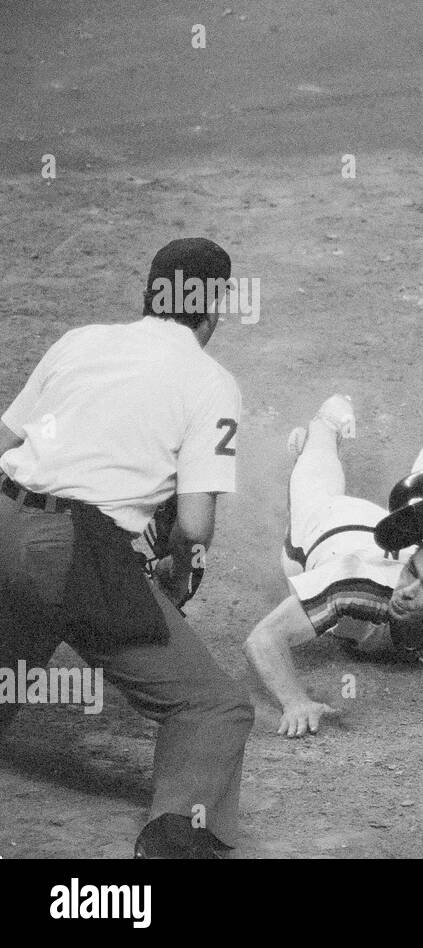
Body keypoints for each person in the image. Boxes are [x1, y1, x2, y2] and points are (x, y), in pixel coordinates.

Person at [0, 237, 253, 859]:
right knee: (213, 707)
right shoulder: (211, 381)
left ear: (150, 291)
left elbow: (6, 438)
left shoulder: (80, 340)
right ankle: (173, 845)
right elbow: (195, 525)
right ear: (212, 307)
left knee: (18, 652)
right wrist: (158, 554)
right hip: (67, 553)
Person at [243, 374, 423, 739]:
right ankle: (326, 426)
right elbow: (264, 637)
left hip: (383, 548)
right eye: (411, 572)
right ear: (415, 553)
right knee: (317, 494)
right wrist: (295, 701)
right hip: (328, 532)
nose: (407, 590)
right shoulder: (354, 582)